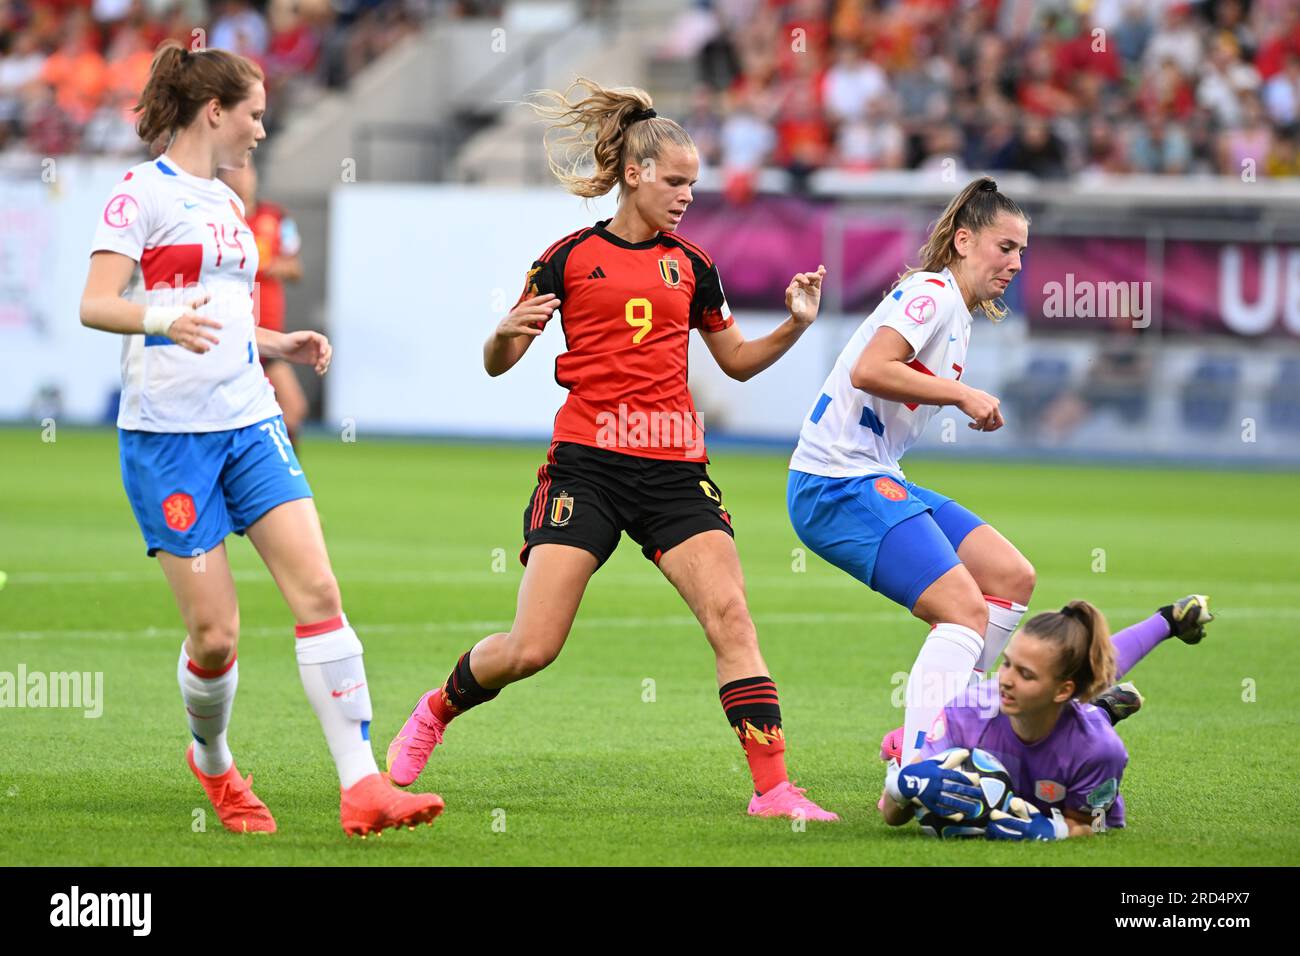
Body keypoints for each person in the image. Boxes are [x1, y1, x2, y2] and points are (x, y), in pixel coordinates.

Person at [386, 77, 837, 821]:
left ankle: (774, 789)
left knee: (731, 618)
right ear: (634, 174)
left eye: (695, 182)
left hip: (673, 471)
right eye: (676, 180)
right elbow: (498, 362)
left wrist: (793, 325)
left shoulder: (693, 267)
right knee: (533, 648)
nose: (689, 195)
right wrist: (502, 334)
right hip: (586, 468)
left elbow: (735, 362)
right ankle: (437, 708)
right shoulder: (566, 258)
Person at [78, 40, 442, 838]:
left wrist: (279, 344)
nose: (262, 131)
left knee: (318, 593)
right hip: (169, 441)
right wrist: (161, 316)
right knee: (216, 637)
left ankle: (364, 786)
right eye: (255, 115)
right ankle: (212, 761)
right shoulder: (139, 195)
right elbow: (97, 303)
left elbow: (228, 312)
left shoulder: (229, 204)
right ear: (216, 112)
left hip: (250, 423)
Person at [787, 176, 1032, 767]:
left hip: (873, 471)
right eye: (1007, 247)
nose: (1017, 263)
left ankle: (943, 723)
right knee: (964, 610)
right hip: (835, 481)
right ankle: (923, 769)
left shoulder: (960, 313)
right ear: (965, 242)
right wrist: (961, 394)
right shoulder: (932, 292)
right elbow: (871, 369)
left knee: (1010, 575)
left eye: (1023, 251)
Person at [879, 595, 1215, 840]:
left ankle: (1105, 705)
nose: (1005, 679)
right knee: (1080, 689)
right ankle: (1108, 700)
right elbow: (892, 818)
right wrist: (902, 786)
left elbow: (1095, 824)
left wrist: (1057, 830)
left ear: (1062, 691)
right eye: (1007, 663)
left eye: (1025, 674)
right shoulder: (968, 711)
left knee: (1089, 691)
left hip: (1074, 727)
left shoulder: (1100, 752)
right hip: (1058, 713)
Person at [218, 159, 308, 444]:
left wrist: (264, 263)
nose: (241, 177)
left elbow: (295, 268)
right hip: (235, 331)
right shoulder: (219, 217)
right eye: (234, 170)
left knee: (293, 410)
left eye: (247, 170)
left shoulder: (276, 217)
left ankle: (278, 479)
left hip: (268, 334)